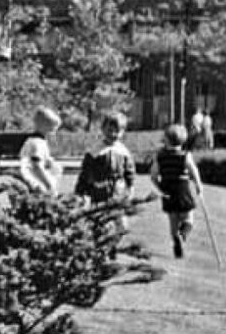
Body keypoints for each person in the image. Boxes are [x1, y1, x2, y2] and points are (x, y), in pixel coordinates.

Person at [149, 123, 204, 259]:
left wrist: (159, 186)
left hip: (167, 190)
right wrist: (198, 184)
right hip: (182, 190)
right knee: (188, 218)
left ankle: (176, 239)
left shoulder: (160, 156)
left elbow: (153, 175)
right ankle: (183, 232)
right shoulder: (185, 155)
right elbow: (193, 170)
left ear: (166, 140)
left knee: (173, 220)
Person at [74, 111, 136, 213]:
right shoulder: (94, 151)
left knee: (119, 220)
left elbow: (129, 172)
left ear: (123, 132)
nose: (113, 134)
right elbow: (85, 173)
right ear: (103, 129)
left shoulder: (123, 152)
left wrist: (130, 188)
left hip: (118, 192)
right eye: (110, 130)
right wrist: (80, 192)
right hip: (99, 194)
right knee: (100, 219)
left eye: (117, 131)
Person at [19, 106, 62, 194]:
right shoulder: (37, 143)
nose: (53, 133)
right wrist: (48, 184)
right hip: (37, 183)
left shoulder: (31, 141)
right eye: (52, 129)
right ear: (43, 126)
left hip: (32, 181)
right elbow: (37, 166)